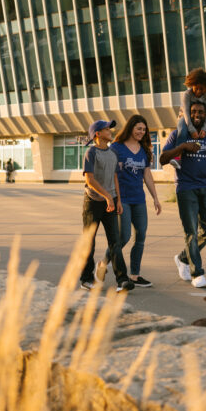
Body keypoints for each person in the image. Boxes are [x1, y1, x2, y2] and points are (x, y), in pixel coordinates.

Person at [160, 102, 206, 288]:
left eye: (200, 112)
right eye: (193, 112)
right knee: (190, 231)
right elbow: (163, 158)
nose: (196, 114)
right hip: (186, 188)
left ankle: (183, 257)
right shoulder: (178, 134)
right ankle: (197, 274)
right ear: (187, 114)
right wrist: (182, 147)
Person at [103, 115, 162, 288]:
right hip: (122, 199)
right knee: (124, 236)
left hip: (139, 199)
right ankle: (103, 263)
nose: (141, 132)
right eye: (138, 128)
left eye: (144, 129)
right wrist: (111, 197)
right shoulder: (116, 148)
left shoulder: (144, 150)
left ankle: (135, 275)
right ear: (130, 128)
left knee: (141, 235)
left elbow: (147, 175)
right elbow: (110, 173)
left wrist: (155, 198)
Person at [78, 120, 134, 293]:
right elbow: (90, 180)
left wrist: (117, 200)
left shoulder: (112, 153)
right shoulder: (91, 153)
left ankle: (122, 280)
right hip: (93, 202)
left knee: (115, 242)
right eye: (106, 129)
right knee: (89, 242)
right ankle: (86, 279)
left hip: (111, 201)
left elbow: (115, 177)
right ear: (97, 134)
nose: (110, 131)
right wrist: (107, 196)